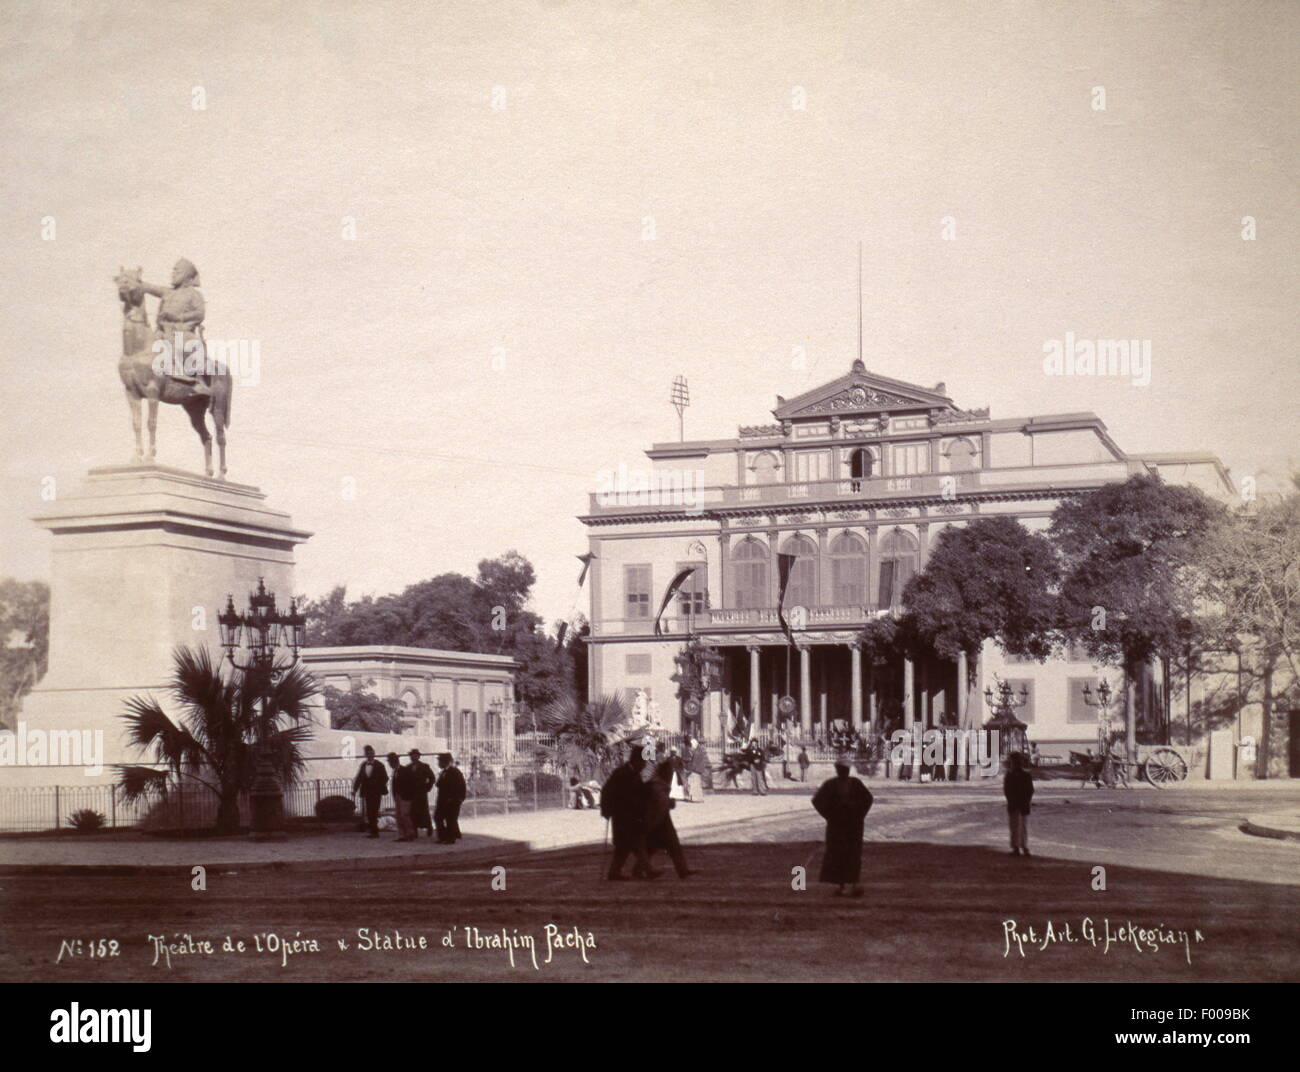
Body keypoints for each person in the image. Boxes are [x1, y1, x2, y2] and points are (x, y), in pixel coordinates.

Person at [137, 258, 210, 392]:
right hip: (163, 331)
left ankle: (196, 381)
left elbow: (200, 314)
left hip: (183, 333)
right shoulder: (168, 292)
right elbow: (151, 288)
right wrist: (137, 281)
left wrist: (178, 317)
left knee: (181, 344)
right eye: (173, 271)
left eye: (177, 271)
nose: (173, 273)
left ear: (187, 276)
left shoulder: (194, 294)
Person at [812, 760, 874, 896]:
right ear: (837, 769)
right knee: (838, 855)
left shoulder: (856, 783)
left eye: (845, 769)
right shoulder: (830, 784)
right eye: (841, 769)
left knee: (853, 854)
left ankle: (853, 884)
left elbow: (868, 799)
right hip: (837, 826)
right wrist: (830, 814)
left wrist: (859, 814)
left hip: (853, 825)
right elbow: (817, 801)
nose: (843, 771)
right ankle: (841, 886)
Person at [600, 746, 655, 880]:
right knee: (632, 844)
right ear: (636, 761)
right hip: (622, 816)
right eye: (643, 762)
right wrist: (606, 810)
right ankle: (645, 870)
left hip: (632, 816)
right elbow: (607, 792)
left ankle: (615, 872)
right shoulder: (622, 773)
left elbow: (641, 794)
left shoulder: (634, 774)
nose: (644, 766)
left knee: (626, 846)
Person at [644, 760, 693, 878]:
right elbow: (660, 804)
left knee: (656, 847)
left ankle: (682, 870)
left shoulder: (657, 784)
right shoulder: (658, 785)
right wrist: (670, 802)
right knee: (666, 846)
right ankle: (682, 870)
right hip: (659, 821)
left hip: (659, 820)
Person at [351, 745, 388, 838]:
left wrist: (378, 785)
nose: (369, 755)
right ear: (365, 755)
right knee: (369, 811)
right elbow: (359, 778)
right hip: (367, 792)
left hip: (376, 792)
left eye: (371, 753)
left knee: (374, 811)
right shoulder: (363, 765)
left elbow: (385, 777)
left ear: (374, 754)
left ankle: (375, 831)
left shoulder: (379, 765)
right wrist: (354, 789)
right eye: (367, 753)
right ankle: (373, 831)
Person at [1004, 751, 1034, 856]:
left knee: (1014, 826)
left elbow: (1007, 790)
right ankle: (1023, 847)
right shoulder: (1026, 775)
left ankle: (1016, 847)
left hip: (1014, 804)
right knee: (1022, 826)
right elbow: (1030, 790)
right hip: (1023, 804)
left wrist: (1011, 800)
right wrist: (1026, 800)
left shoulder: (1010, 775)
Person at [434, 753, 467, 844]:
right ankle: (443, 836)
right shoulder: (443, 772)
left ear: (445, 762)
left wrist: (458, 799)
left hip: (452, 800)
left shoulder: (455, 772)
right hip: (443, 800)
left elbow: (461, 786)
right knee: (438, 817)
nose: (438, 763)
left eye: (440, 761)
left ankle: (450, 838)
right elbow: (438, 784)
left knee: (450, 819)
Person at [387, 752, 417, 842]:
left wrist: (409, 796)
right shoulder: (396, 771)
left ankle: (409, 833)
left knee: (404, 815)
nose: (390, 764)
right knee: (399, 816)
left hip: (405, 797)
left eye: (390, 762)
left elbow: (411, 784)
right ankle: (402, 835)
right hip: (398, 796)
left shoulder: (405, 770)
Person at [408, 749, 436, 838]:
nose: (413, 757)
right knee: (413, 812)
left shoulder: (424, 766)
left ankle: (429, 827)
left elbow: (432, 778)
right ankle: (415, 830)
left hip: (421, 793)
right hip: (412, 793)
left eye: (415, 755)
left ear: (418, 756)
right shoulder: (408, 767)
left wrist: (427, 788)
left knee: (424, 811)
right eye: (412, 756)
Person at [685, 737, 709, 801]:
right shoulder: (699, 751)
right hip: (698, 770)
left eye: (691, 746)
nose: (690, 748)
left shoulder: (696, 753)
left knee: (693, 784)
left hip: (695, 770)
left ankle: (694, 798)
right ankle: (697, 798)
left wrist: (689, 771)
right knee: (697, 784)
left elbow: (694, 763)